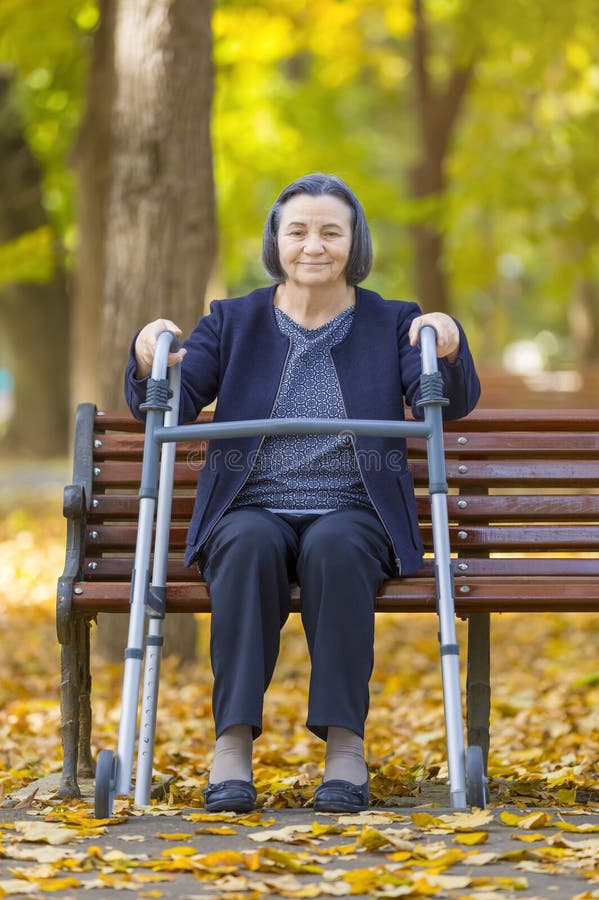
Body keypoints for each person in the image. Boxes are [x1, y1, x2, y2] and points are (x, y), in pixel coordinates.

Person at [125, 173, 480, 814]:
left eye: (330, 232)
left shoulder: (393, 321)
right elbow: (170, 398)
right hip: (252, 505)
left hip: (354, 509)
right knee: (246, 542)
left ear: (354, 242)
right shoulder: (231, 321)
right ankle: (231, 744)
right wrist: (152, 355)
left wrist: (446, 344)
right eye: (298, 231)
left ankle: (345, 746)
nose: (313, 245)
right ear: (277, 241)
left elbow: (448, 403)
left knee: (337, 545)